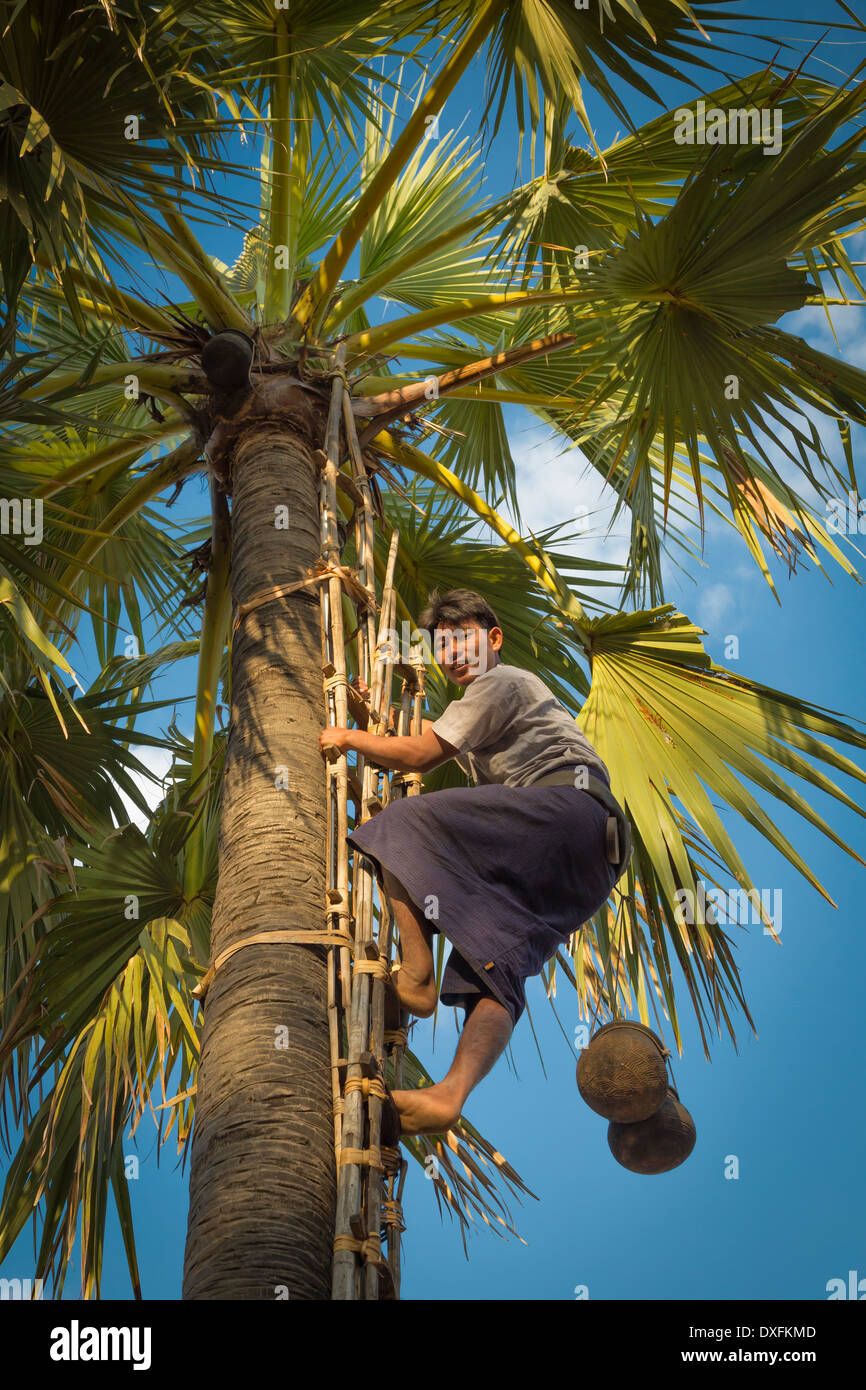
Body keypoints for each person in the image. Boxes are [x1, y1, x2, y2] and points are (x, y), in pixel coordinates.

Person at [318, 588, 630, 1137]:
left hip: (565, 812)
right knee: (492, 965)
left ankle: (415, 977)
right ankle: (448, 1096)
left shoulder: (502, 682)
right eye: (443, 646)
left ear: (494, 639)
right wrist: (374, 720)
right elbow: (420, 739)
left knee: (399, 825)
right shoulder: (491, 708)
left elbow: (419, 754)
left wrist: (346, 736)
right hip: (593, 861)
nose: (453, 654)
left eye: (463, 639)